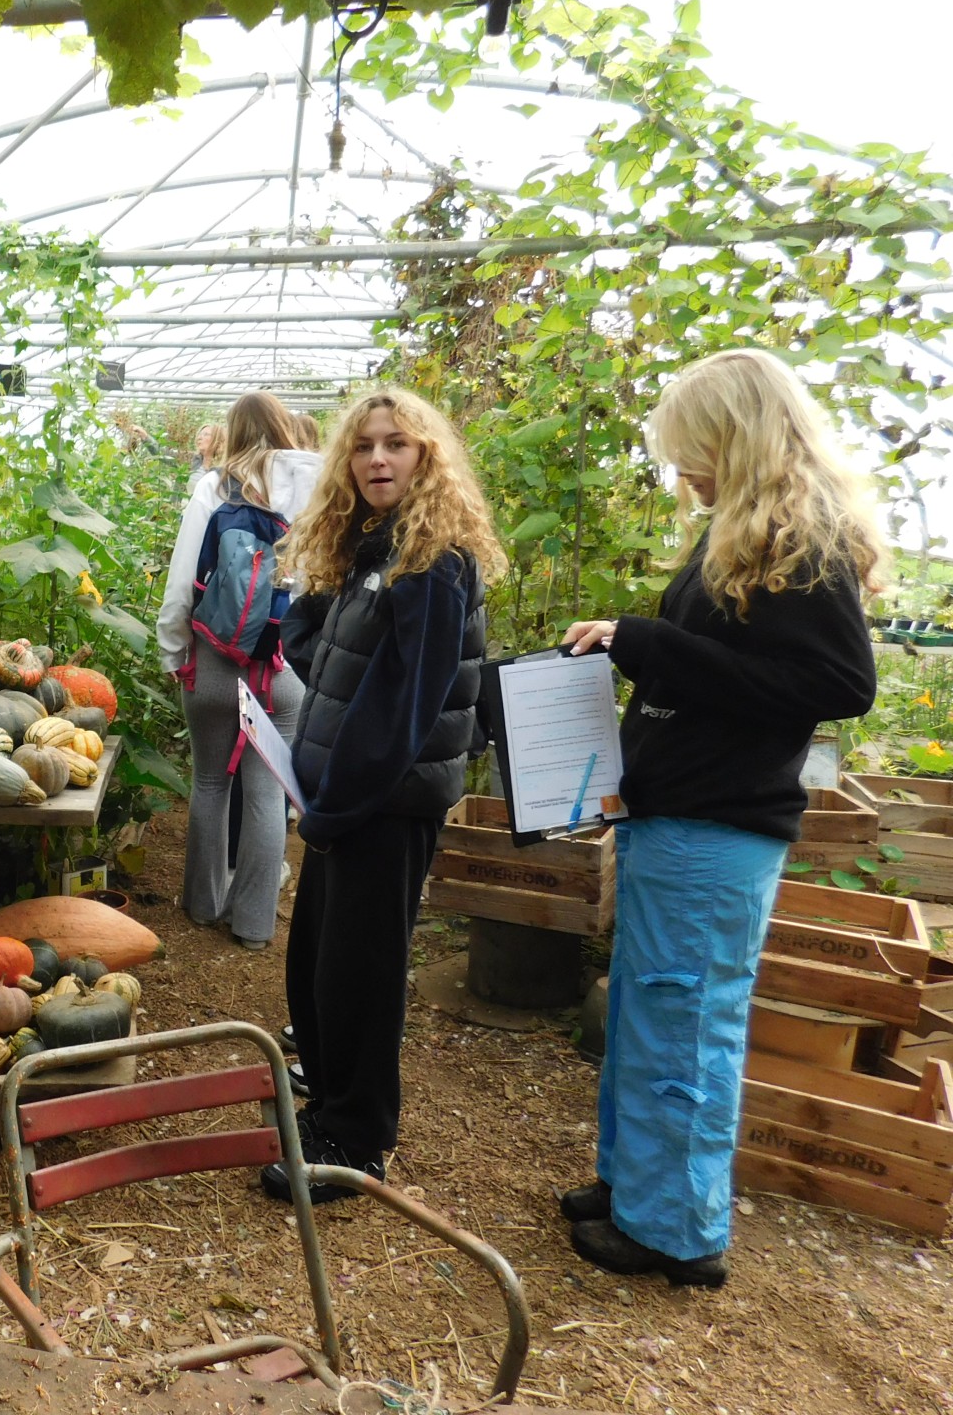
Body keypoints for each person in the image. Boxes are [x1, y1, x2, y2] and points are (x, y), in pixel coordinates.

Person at [558, 348, 883, 1287]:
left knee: (686, 1023)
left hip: (719, 828)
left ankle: (678, 1231)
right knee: (648, 1012)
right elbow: (718, 669)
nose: (682, 472)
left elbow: (837, 684)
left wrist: (654, 644)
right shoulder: (738, 534)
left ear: (736, 440)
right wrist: (637, 651)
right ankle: (632, 1187)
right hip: (676, 814)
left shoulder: (802, 543)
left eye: (690, 450)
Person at [260, 388, 506, 1203]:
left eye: (396, 445)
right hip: (342, 794)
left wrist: (337, 801)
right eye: (363, 446)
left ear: (426, 457)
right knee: (319, 963)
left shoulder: (434, 566)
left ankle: (358, 1141)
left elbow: (401, 708)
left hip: (385, 802)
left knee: (360, 973)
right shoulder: (376, 549)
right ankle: (329, 1101)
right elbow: (313, 643)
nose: (376, 459)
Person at [157, 393, 316, 951]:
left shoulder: (214, 487)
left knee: (208, 782)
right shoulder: (319, 491)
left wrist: (174, 653)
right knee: (267, 792)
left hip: (216, 659)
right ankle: (253, 924)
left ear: (232, 431)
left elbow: (182, 583)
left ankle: (203, 905)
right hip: (283, 665)